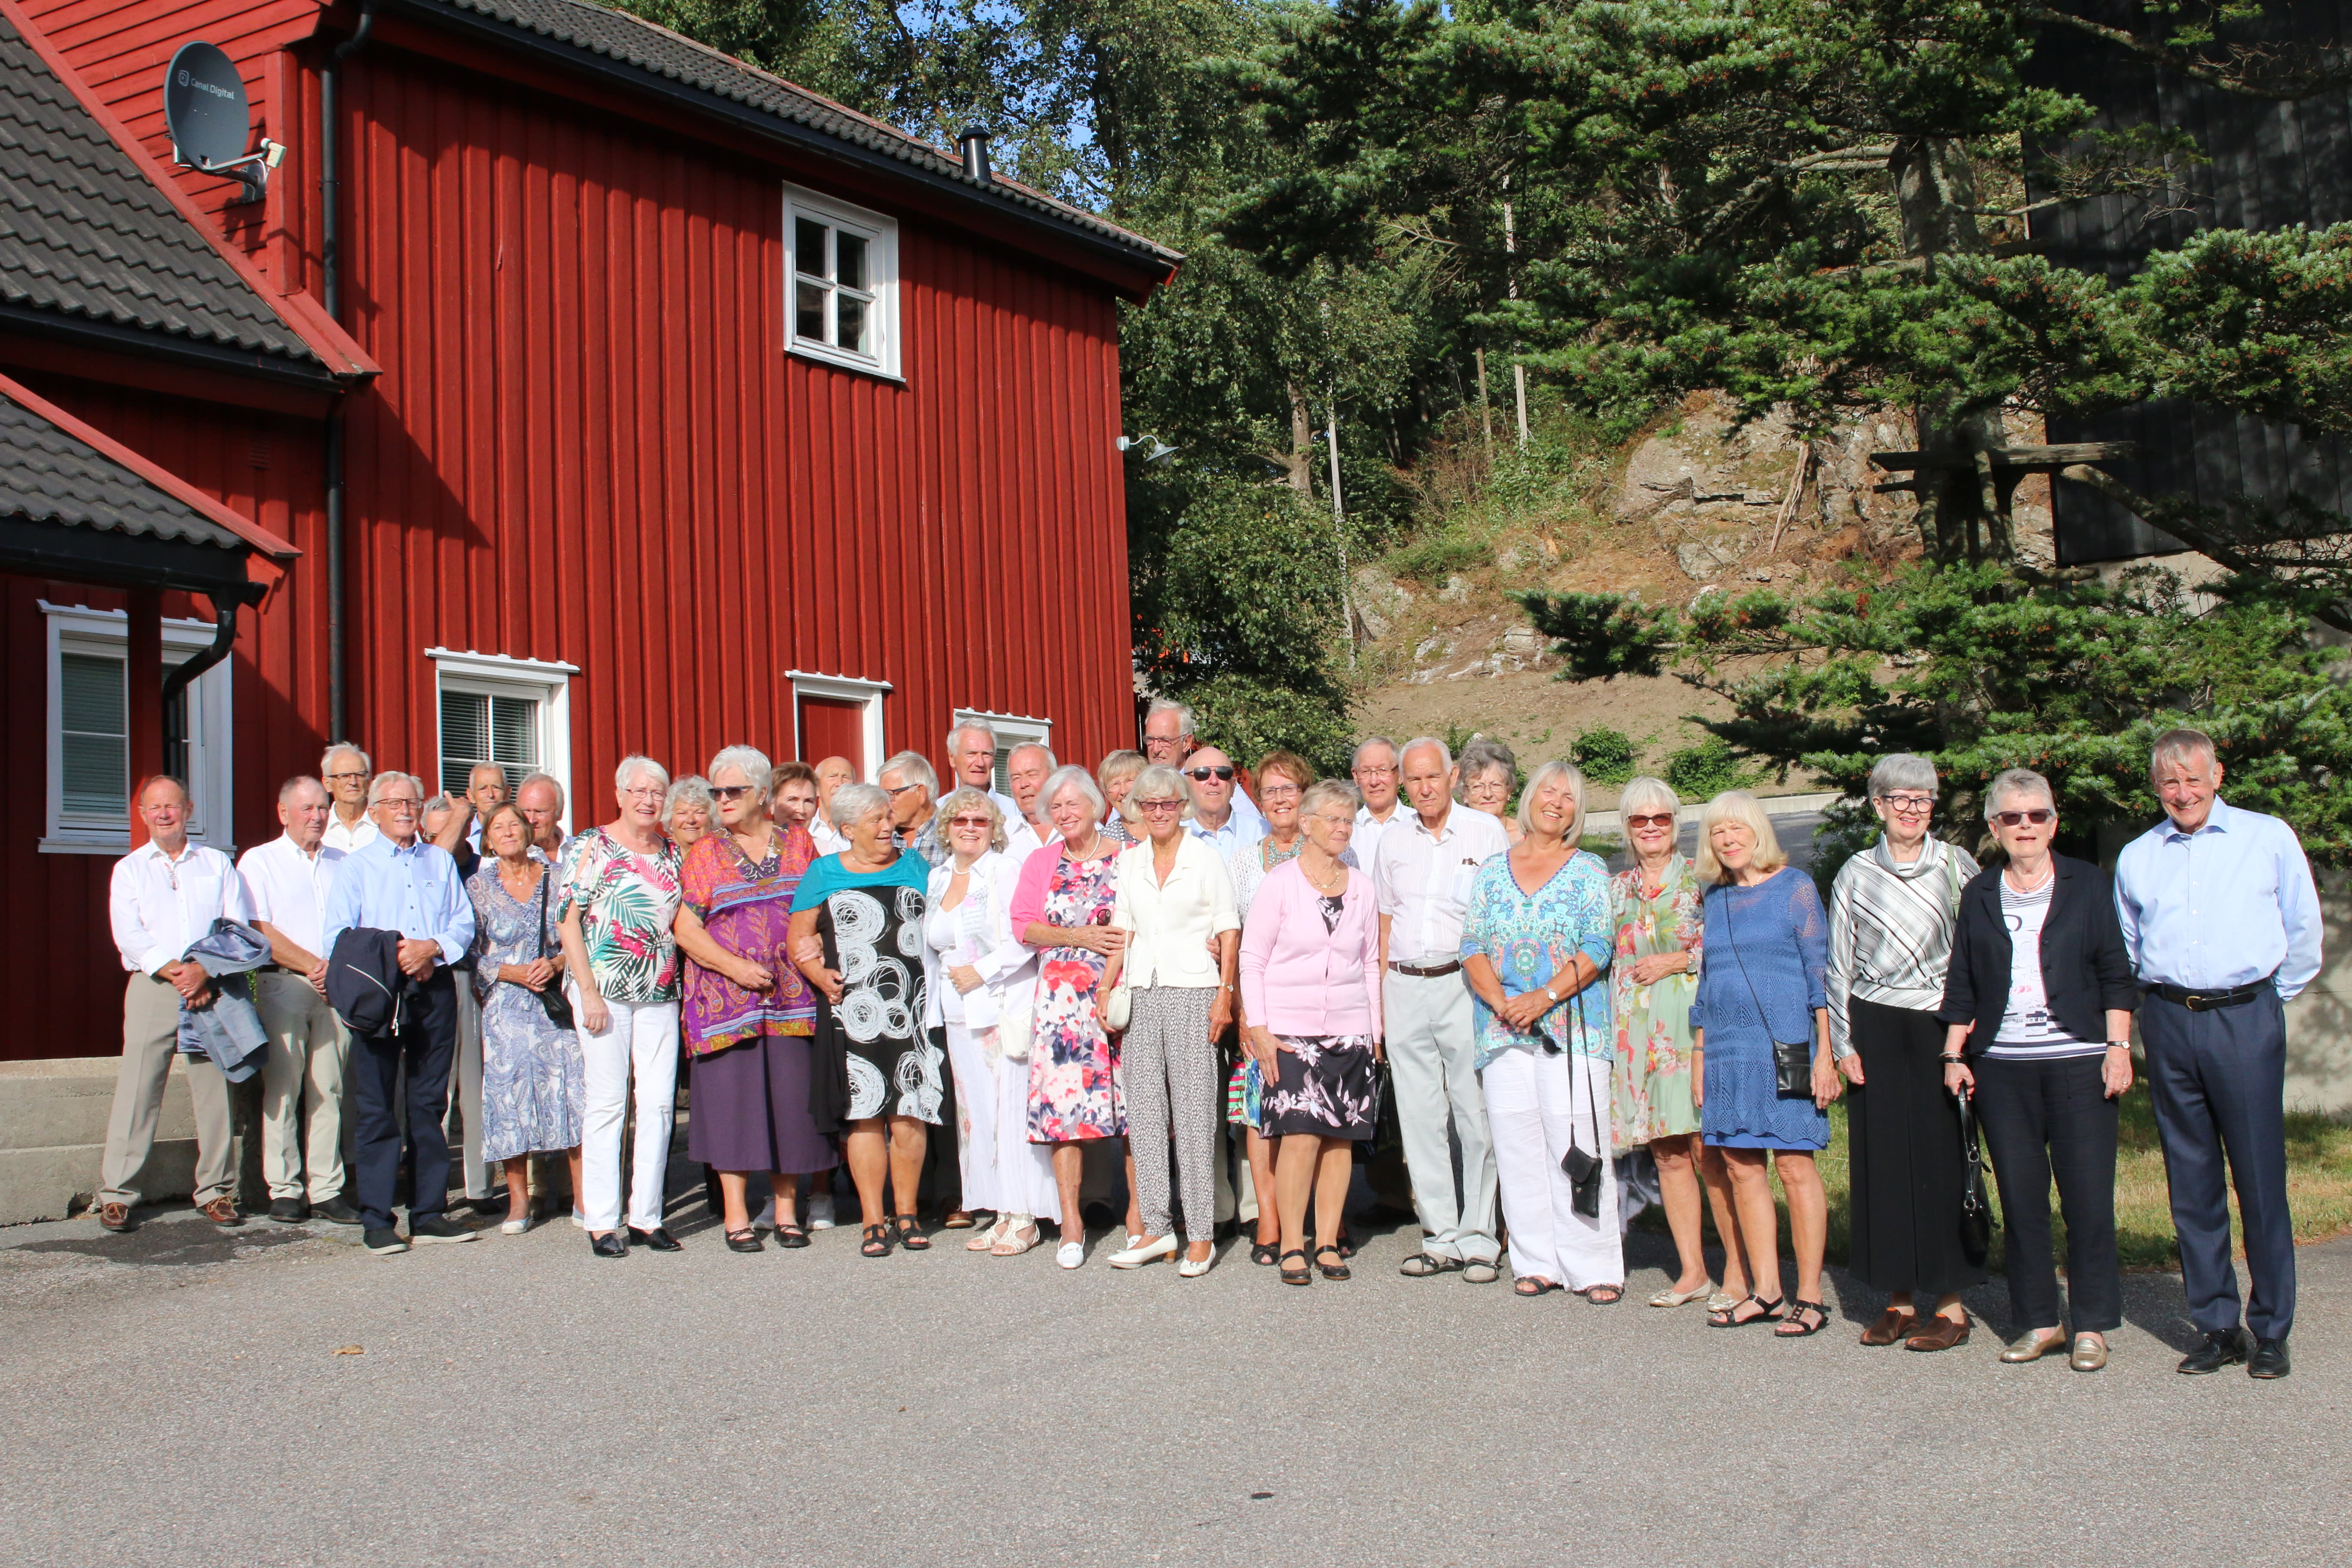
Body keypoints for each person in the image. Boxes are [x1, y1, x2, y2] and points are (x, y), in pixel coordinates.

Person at [2116, 728, 2317, 1380]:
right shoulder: (2138, 856)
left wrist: (2262, 1002)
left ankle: (2271, 1330)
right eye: (2170, 783)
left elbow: (2302, 930)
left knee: (2259, 1180)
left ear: (2218, 776)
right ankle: (2217, 1325)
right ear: (2156, 787)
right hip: (2172, 1021)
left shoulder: (2268, 838)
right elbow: (2129, 945)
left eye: (2193, 779)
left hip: (2246, 1020)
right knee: (2191, 1181)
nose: (2183, 793)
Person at [1941, 768, 2140, 1367]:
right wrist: (1954, 1053)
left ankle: (2092, 1326)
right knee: (2022, 1200)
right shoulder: (1979, 892)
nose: (2024, 827)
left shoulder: (2087, 883)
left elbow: (2115, 971)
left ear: (2054, 823)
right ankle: (2037, 1320)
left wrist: (2118, 1048)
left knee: (2087, 1199)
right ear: (1994, 827)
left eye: (2036, 816)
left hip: (2080, 1062)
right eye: (2011, 817)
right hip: (2003, 1068)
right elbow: (1965, 980)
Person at [1826, 755, 1984, 1349]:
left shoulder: (1957, 867)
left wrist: (1966, 1039)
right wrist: (1843, 1045)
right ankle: (1896, 1300)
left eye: (1923, 800)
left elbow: (1976, 954)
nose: (1912, 810)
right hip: (1875, 1023)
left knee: (1945, 1159)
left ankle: (1950, 1307)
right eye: (1900, 799)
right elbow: (1838, 963)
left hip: (1940, 1026)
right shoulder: (1856, 873)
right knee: (1885, 1162)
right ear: (1878, 805)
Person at [1458, 762, 1620, 1300]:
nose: (1557, 802)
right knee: (1517, 1147)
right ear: (1528, 799)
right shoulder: (1491, 869)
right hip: (1502, 1031)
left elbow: (1597, 947)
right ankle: (1536, 1260)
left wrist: (1542, 998)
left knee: (1576, 1145)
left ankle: (1594, 1266)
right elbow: (1472, 945)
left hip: (1572, 1030)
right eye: (1549, 791)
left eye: (1569, 797)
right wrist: (1504, 1004)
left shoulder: (1589, 869)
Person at [672, 747, 833, 1254]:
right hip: (725, 1001)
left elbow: (821, 908)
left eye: (733, 791)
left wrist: (818, 944)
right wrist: (734, 967)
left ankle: (787, 1211)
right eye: (716, 791)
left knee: (790, 1104)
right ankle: (737, 1214)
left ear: (762, 794)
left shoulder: (799, 842)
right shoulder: (705, 852)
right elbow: (685, 926)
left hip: (793, 1000)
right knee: (731, 1106)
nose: (721, 800)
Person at [1690, 790, 1838, 1335]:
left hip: (1790, 1046)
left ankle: (1810, 1296)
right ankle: (1768, 1291)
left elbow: (1821, 975)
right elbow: (1707, 981)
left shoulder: (1795, 888)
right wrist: (1700, 1053)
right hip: (1728, 1050)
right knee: (1739, 1167)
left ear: (1757, 832)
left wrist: (1826, 1053)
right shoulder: (1716, 898)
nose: (1728, 840)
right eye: (1717, 832)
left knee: (1795, 1164)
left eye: (1737, 829)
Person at [321, 772, 479, 1254]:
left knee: (430, 1105)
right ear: (374, 813)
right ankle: (377, 1217)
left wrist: (433, 948)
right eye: (393, 803)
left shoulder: (438, 860)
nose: (405, 810)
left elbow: (463, 922)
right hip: (381, 995)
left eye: (411, 802)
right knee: (376, 1106)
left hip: (434, 990)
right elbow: (336, 939)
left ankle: (429, 1211)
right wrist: (396, 955)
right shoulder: (356, 867)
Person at [1609, 776, 1746, 1311]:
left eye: (1660, 819)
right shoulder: (1616, 889)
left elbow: (1731, 950)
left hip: (1690, 1034)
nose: (1649, 828)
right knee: (1666, 1154)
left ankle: (1736, 1269)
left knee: (1706, 1150)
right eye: (1639, 820)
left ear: (1675, 825)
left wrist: (1678, 960)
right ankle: (1693, 1272)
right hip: (1637, 1036)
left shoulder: (1701, 881)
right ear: (1627, 828)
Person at [1376, 737, 1510, 1284]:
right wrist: (1379, 996)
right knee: (1420, 1115)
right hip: (1405, 982)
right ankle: (1441, 1235)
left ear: (1453, 776)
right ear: (1403, 784)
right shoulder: (1392, 839)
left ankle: (1481, 1236)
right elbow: (1385, 919)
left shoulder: (1486, 832)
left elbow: (1503, 917)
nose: (1425, 788)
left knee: (1474, 1111)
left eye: (1433, 777)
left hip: (1464, 982)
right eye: (1414, 780)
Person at [98, 775, 257, 1233]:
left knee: (214, 1091)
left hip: (210, 987)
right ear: (144, 815)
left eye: (173, 806)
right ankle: (118, 1193)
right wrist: (176, 970)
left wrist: (204, 970)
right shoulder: (130, 869)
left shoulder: (216, 864)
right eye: (155, 808)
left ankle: (216, 1191)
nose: (164, 814)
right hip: (153, 987)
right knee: (138, 1089)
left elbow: (235, 924)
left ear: (188, 809)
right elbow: (129, 933)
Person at [789, 782, 942, 1258]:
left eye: (888, 817)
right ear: (847, 829)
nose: (886, 827)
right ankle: (873, 1220)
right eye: (875, 821)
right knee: (865, 1115)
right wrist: (818, 972)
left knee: (910, 1111)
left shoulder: (916, 866)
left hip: (911, 1007)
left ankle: (909, 1213)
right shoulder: (824, 872)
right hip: (852, 1009)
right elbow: (798, 935)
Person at [1240, 779, 1382, 1286]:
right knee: (1299, 1136)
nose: (1343, 829)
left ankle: (1327, 1242)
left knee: (1340, 1141)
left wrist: (1375, 1031)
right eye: (1333, 820)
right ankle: (1293, 1243)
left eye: (1349, 821)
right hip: (1289, 1031)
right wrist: (1259, 1028)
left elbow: (1369, 963)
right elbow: (1251, 960)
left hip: (1349, 1030)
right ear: (1307, 825)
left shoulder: (1362, 887)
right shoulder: (1279, 883)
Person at [1103, 766, 1240, 1275]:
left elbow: (1228, 927)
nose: (1159, 812)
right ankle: (1158, 1228)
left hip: (1193, 992)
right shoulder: (1131, 861)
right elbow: (1124, 927)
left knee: (1195, 1115)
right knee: (1144, 1115)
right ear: (1136, 810)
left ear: (1182, 806)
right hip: (1142, 991)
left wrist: (1225, 995)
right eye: (1149, 804)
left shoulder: (1205, 858)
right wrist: (1106, 984)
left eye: (1167, 804)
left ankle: (1201, 1233)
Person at [557, 756, 686, 1258]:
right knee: (608, 1103)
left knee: (656, 1103)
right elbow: (568, 920)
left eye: (657, 792)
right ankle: (602, 1219)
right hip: (604, 988)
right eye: (639, 791)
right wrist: (586, 990)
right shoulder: (594, 845)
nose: (648, 800)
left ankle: (647, 1217)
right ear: (619, 794)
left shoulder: (672, 851)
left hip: (660, 988)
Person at [923, 787, 1057, 1255]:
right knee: (975, 1117)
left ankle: (1024, 1215)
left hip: (999, 1004)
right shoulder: (939, 877)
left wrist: (977, 972)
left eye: (979, 821)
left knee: (1007, 1110)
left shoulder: (1004, 870)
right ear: (946, 827)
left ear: (994, 828)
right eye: (960, 821)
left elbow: (1025, 937)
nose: (969, 829)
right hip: (957, 1012)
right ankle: (999, 1211)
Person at [1008, 766, 1129, 1269]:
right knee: (1064, 1117)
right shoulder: (1041, 860)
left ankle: (1141, 1221)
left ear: (1095, 807)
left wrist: (1110, 975)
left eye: (1073, 804)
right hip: (1060, 1004)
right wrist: (1078, 937)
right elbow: (1023, 927)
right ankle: (1071, 1226)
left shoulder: (1127, 858)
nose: (1065, 814)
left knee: (1134, 1110)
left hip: (1117, 996)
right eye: (1056, 808)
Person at [237, 777, 356, 1225]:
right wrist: (314, 966)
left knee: (330, 1088)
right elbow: (259, 928)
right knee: (283, 1090)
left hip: (336, 989)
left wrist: (335, 972)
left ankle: (326, 1187)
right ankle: (284, 1188)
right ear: (284, 812)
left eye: (322, 808)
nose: (317, 816)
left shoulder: (343, 863)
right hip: (285, 984)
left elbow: (356, 923)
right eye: (306, 809)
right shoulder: (261, 862)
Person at [463, 802, 584, 1235]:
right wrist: (509, 971)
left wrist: (554, 964)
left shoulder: (555, 879)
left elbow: (580, 934)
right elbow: (470, 951)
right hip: (506, 1008)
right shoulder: (477, 887)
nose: (509, 832)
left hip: (553, 1003)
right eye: (498, 827)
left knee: (571, 1092)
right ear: (488, 839)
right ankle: (518, 1201)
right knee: (509, 1100)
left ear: (528, 831)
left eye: (515, 824)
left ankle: (583, 1196)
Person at [423, 793, 492, 1214]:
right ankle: (433, 1189)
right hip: (435, 980)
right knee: (438, 1090)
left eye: (444, 831)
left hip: (475, 980)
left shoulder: (480, 868)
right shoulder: (423, 869)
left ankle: (478, 1186)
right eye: (430, 833)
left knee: (475, 1088)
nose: (437, 841)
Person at [1144, 698, 1265, 831]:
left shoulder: (1217, 779)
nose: (1156, 749)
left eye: (1165, 740)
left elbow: (1256, 832)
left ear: (1186, 743)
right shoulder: (1137, 787)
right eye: (1150, 740)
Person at [1181, 744, 1262, 860]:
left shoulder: (1261, 833)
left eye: (1223, 774)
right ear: (1185, 785)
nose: (1214, 781)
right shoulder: (1172, 837)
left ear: (1234, 786)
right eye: (1202, 774)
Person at [943, 719, 1022, 821]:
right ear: (952, 758)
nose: (980, 763)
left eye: (987, 754)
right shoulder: (939, 811)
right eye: (971, 754)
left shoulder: (1015, 813)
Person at [881, 751, 946, 868]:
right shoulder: (880, 836)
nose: (885, 803)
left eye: (891, 794)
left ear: (920, 793)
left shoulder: (952, 835)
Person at [1349, 737, 1406, 871]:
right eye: (1366, 772)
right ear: (1356, 777)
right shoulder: (1346, 831)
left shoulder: (1420, 825)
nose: (1374, 781)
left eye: (1383, 770)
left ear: (1400, 774)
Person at [1458, 738, 1524, 847]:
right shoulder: (1455, 838)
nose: (1488, 794)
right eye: (1478, 786)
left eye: (1496, 785)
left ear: (1509, 790)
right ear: (1465, 794)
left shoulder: (1529, 838)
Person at [320, 744, 379, 853]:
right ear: (327, 784)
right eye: (344, 776)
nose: (353, 782)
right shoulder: (318, 828)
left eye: (360, 775)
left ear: (369, 780)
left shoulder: (386, 824)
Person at [1002, 742, 1057, 861]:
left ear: (1053, 777)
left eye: (1032, 775)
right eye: (1016, 778)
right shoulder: (1003, 837)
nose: (1023, 784)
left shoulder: (1083, 829)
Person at [1096, 749, 1148, 846]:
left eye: (1129, 781)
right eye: (1114, 784)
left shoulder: (1164, 825)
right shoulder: (1103, 841)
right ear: (1107, 793)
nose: (1123, 791)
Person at [517, 772, 570, 861]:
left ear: (559, 813)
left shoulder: (583, 852)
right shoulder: (503, 858)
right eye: (525, 811)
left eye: (540, 812)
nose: (531, 820)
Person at [810, 755, 857, 855]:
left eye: (846, 777)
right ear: (817, 789)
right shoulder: (806, 830)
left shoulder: (863, 830)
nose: (840, 783)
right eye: (832, 777)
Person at [462, 763, 509, 850]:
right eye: (483, 789)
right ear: (471, 796)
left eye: (496, 787)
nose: (491, 794)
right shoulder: (462, 838)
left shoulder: (517, 835)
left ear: (507, 793)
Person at [665, 776, 715, 853]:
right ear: (670, 822)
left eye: (699, 812)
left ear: (712, 820)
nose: (691, 820)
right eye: (682, 813)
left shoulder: (725, 856)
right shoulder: (658, 857)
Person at [772, 761, 820, 832]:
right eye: (792, 800)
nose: (802, 810)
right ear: (772, 804)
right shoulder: (756, 843)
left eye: (808, 801)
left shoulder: (823, 843)